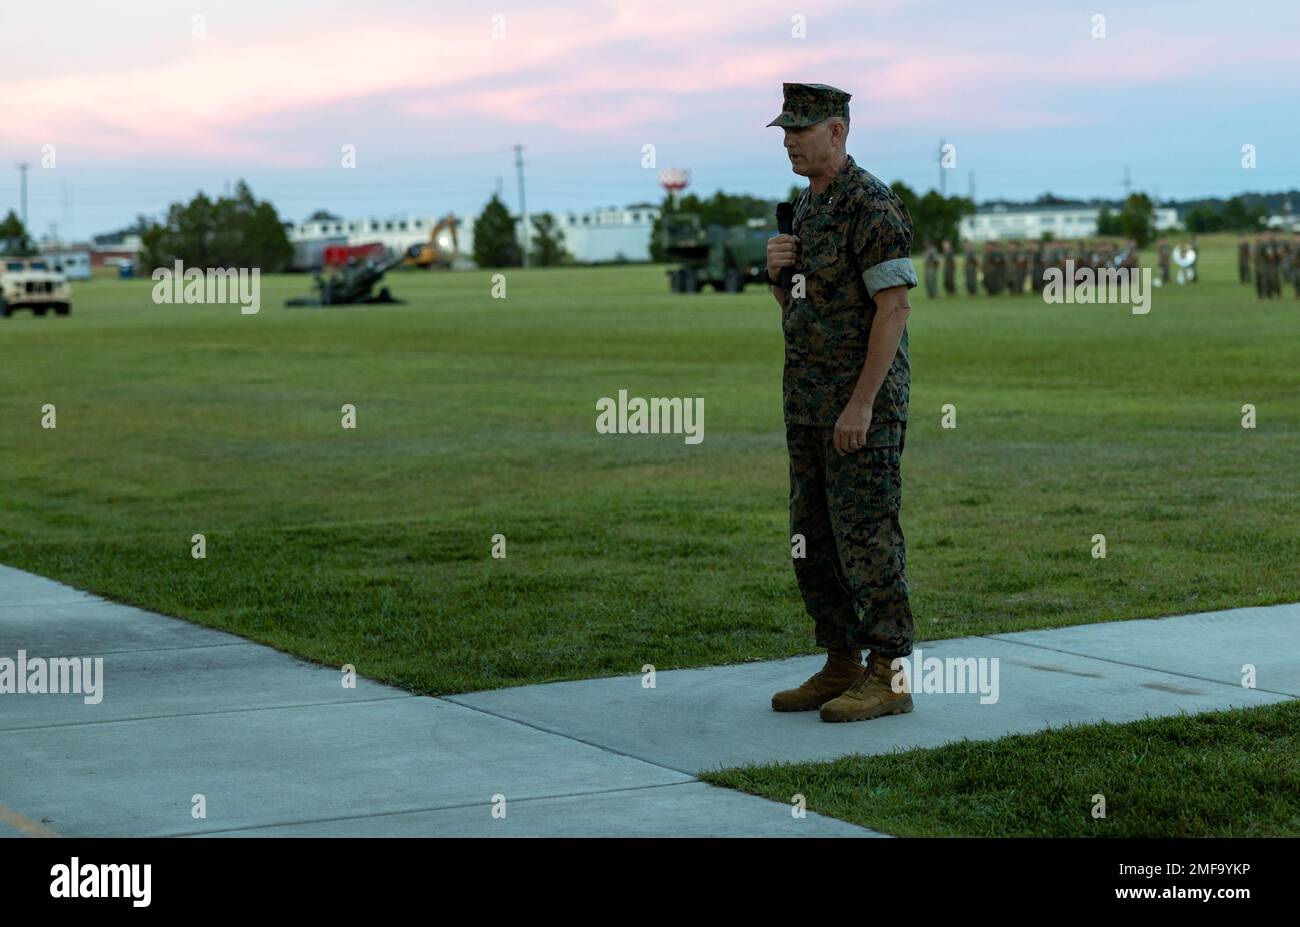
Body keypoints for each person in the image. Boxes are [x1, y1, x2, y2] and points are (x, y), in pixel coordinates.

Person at [764, 82, 915, 723]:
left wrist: (860, 406)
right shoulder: (804, 209)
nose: (792, 140)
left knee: (868, 537)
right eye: (785, 130)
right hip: (807, 403)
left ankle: (890, 674)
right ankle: (841, 662)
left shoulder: (871, 207)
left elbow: (895, 309)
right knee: (812, 538)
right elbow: (795, 308)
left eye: (803, 129)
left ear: (838, 131)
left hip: (860, 407)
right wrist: (776, 276)